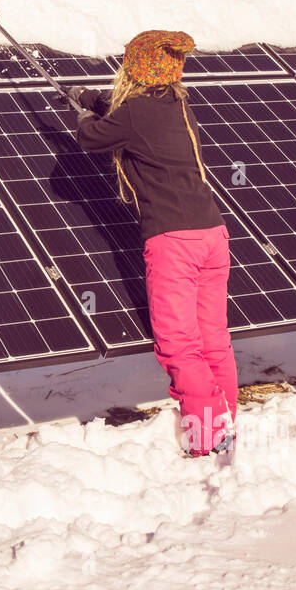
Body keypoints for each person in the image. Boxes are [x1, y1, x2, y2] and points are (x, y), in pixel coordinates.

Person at [69, 30, 238, 457]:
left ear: (136, 68)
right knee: (213, 338)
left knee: (179, 346)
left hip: (173, 242)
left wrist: (82, 115)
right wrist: (94, 99)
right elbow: (133, 119)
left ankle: (208, 440)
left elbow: (91, 138)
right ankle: (226, 422)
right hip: (212, 235)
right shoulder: (178, 104)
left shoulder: (134, 112)